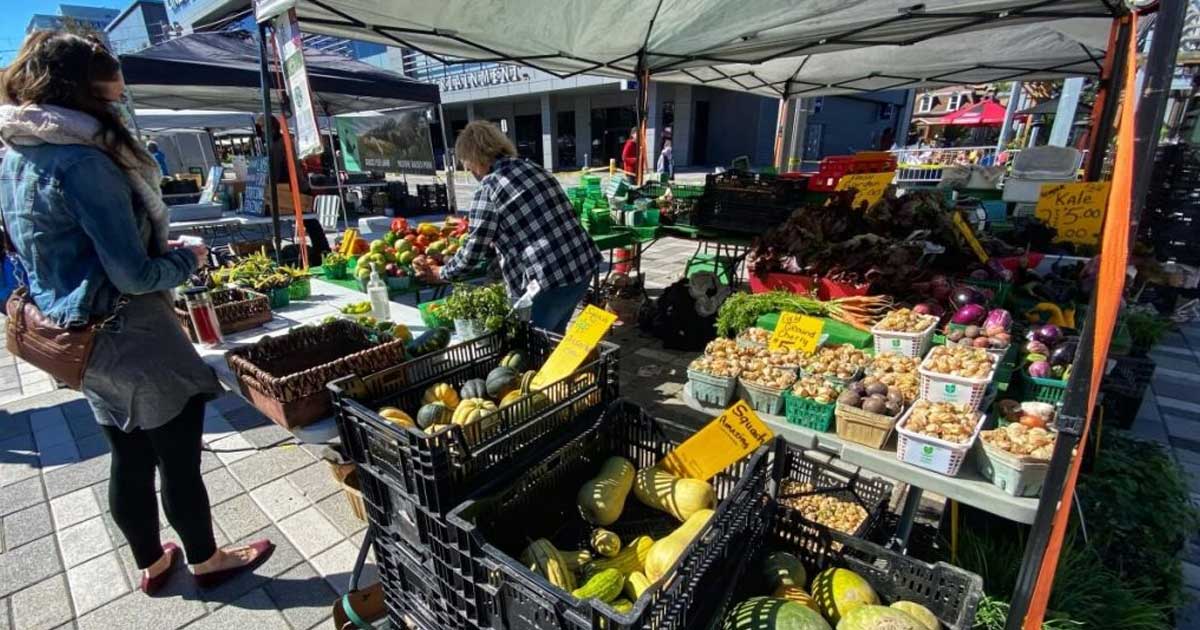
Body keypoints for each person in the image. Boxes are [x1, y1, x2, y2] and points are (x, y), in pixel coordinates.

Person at [0, 31, 274, 596]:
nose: (119, 106)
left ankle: (151, 563)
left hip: (73, 334)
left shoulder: (16, 153)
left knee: (127, 454)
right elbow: (132, 273)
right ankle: (207, 559)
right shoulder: (83, 162)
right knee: (177, 458)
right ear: (81, 93)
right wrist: (185, 257)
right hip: (131, 332)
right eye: (112, 95)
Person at [416, 121, 600, 333]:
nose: (469, 170)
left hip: (549, 279)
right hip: (582, 266)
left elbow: (474, 250)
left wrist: (441, 273)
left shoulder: (490, 187)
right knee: (554, 336)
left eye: (467, 164)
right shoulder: (533, 167)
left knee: (531, 344)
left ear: (474, 159)